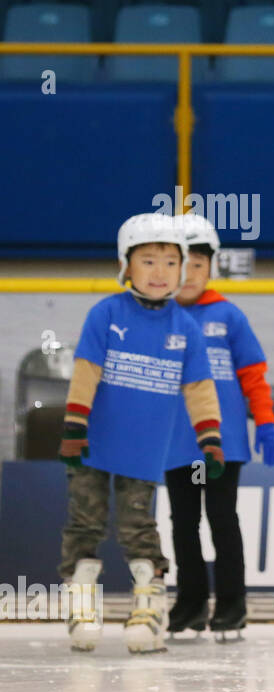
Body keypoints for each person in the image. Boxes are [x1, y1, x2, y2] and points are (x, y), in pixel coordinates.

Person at [59, 213, 225, 654]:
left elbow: (199, 388)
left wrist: (210, 438)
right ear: (125, 265)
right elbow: (86, 371)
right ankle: (81, 605)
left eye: (172, 262)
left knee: (139, 528)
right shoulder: (106, 313)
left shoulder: (185, 327)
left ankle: (149, 610)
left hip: (144, 450)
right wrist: (74, 425)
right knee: (84, 522)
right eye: (148, 261)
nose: (161, 273)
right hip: (93, 445)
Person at [162, 212, 274, 642]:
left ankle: (232, 605)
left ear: (212, 266)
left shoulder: (228, 315)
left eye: (198, 264)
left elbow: (253, 374)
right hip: (176, 442)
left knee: (223, 519)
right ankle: (190, 603)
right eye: (180, 264)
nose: (189, 274)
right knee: (182, 523)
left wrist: (264, 423)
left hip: (223, 444)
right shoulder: (158, 316)